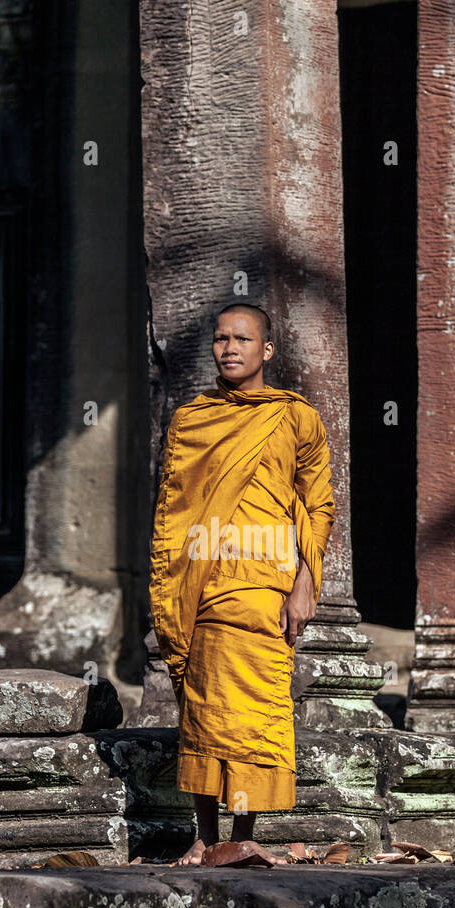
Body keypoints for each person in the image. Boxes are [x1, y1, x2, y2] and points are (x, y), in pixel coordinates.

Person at [148, 302, 336, 866]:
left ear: (266, 350)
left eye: (243, 339)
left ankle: (245, 832)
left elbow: (319, 505)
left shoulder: (294, 416)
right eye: (221, 339)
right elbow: (177, 509)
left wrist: (306, 581)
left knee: (255, 711)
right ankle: (205, 837)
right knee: (205, 707)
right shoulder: (192, 418)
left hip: (267, 585)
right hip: (205, 579)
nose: (229, 348)